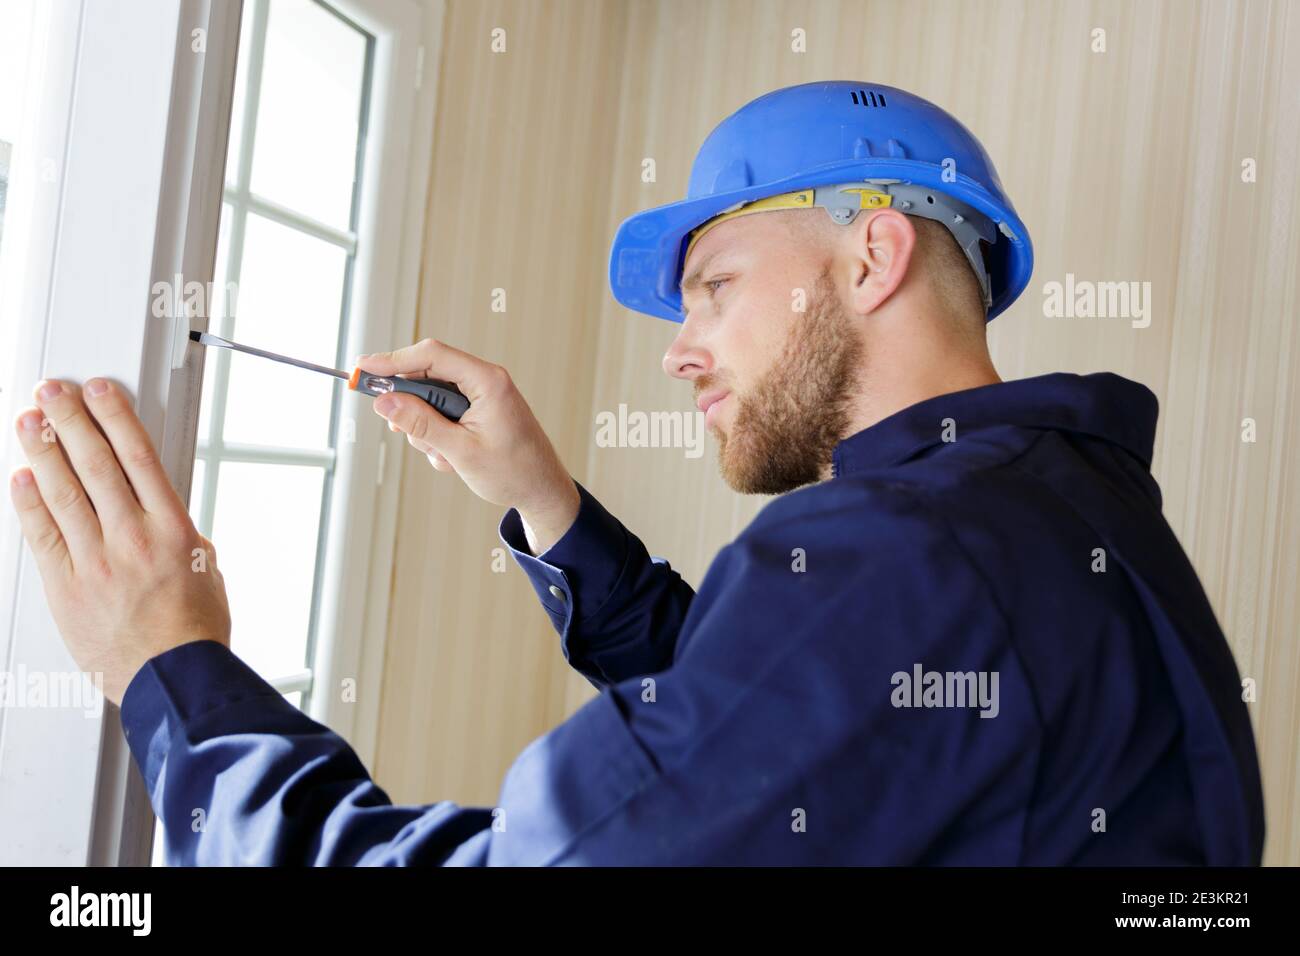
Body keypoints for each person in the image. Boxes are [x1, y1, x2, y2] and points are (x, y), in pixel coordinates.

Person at [9, 81, 1264, 865]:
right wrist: (542, 500)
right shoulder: (1056, 506)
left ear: (872, 253)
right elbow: (791, 726)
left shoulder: (907, 554)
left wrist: (171, 671)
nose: (677, 350)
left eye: (714, 284)